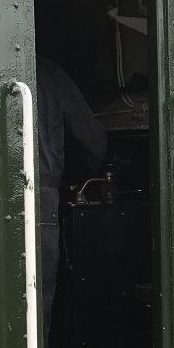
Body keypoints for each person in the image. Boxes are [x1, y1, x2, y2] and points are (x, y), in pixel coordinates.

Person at [35, 54, 106, 315]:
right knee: (36, 315)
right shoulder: (48, 72)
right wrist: (65, 181)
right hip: (41, 203)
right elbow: (92, 142)